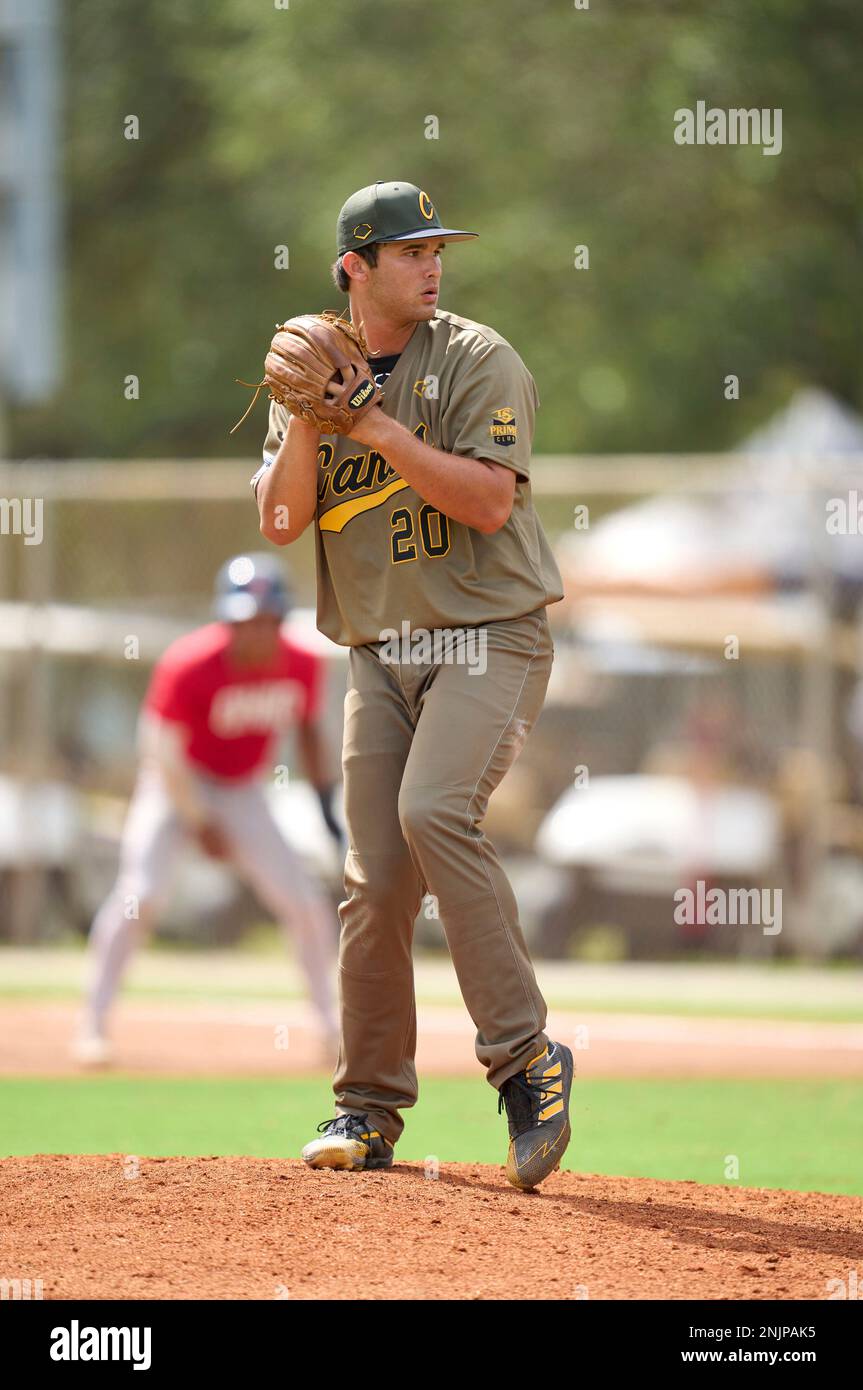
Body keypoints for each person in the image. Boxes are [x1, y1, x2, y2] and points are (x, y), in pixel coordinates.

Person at [253, 181, 571, 1190]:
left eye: (437, 248)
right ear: (354, 266)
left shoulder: (477, 358)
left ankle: (526, 1062)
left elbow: (484, 503)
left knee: (437, 811)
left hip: (488, 635)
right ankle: (368, 1105)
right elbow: (276, 522)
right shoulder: (312, 372)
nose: (432, 265)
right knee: (375, 875)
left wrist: (380, 429)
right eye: (407, 251)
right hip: (376, 653)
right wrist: (309, 419)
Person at [73, 553, 341, 1067]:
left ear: (281, 620)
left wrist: (325, 800)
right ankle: (93, 1024)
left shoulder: (301, 662)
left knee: (303, 901)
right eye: (245, 621)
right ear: (227, 620)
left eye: (266, 621)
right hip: (176, 784)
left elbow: (309, 730)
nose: (255, 633)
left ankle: (329, 1028)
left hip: (244, 790)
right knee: (141, 896)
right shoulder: (189, 663)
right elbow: (160, 751)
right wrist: (199, 820)